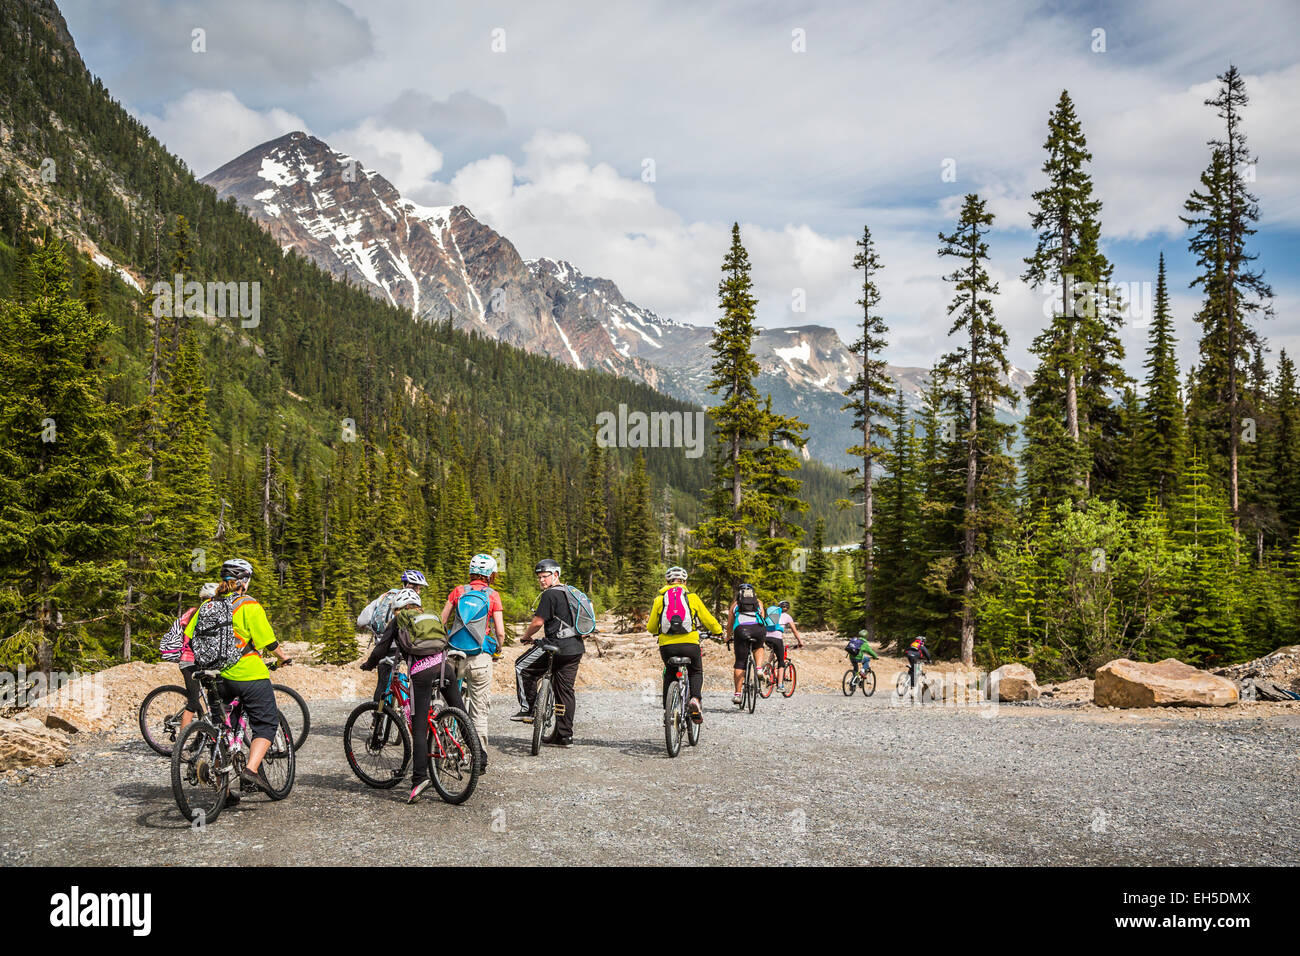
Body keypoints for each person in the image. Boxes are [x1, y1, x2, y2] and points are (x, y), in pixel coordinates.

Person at [182, 558, 291, 796]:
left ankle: (225, 792)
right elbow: (268, 642)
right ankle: (250, 770)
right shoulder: (249, 606)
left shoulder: (207, 606)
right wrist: (283, 657)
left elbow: (189, 636)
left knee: (222, 730)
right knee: (266, 722)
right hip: (247, 673)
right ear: (244, 581)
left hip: (214, 677)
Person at [360, 588, 466, 804]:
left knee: (419, 728)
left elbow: (381, 649)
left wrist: (369, 664)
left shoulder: (398, 620)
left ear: (398, 609)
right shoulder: (431, 616)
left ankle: (419, 779)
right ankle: (479, 756)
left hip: (422, 673)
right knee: (459, 710)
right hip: (446, 666)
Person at [440, 553, 505, 773]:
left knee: (448, 704)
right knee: (479, 710)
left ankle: (448, 750)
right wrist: (499, 647)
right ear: (491, 574)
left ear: (471, 572)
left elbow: (442, 621)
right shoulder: (493, 595)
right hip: (480, 658)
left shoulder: (458, 591)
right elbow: (500, 632)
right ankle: (480, 759)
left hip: (454, 656)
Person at [511, 558, 584, 747]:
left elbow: (537, 623)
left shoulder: (550, 595)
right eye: (539, 577)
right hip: (575, 648)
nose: (542, 580)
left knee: (521, 666)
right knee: (565, 691)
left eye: (545, 576)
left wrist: (525, 637)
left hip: (556, 647)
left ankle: (529, 709)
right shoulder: (571, 592)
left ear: (556, 575)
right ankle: (564, 736)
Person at [646, 566, 723, 724]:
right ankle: (695, 699)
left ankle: (668, 710)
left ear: (667, 582)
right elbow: (709, 620)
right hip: (690, 644)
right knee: (695, 671)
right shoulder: (692, 597)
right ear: (684, 582)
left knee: (669, 672)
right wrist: (718, 631)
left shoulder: (659, 599)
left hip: (667, 646)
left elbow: (651, 627)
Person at [359, 569, 427, 703]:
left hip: (382, 646)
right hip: (405, 646)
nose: (418, 591)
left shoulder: (384, 597)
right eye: (417, 588)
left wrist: (373, 629)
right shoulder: (412, 602)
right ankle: (409, 712)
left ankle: (377, 719)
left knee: (382, 684)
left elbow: (361, 620)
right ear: (411, 586)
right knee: (416, 679)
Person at [174, 582, 219, 733]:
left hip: (201, 661)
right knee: (193, 702)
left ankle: (210, 729)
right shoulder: (198, 613)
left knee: (215, 693)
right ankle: (182, 744)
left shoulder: (205, 613)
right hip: (189, 661)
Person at [725, 582, 767, 707]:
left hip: (742, 631)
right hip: (758, 629)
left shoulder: (735, 604)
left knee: (740, 662)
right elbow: (762, 618)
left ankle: (738, 694)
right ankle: (759, 668)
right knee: (759, 647)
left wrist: (727, 637)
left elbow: (730, 625)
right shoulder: (759, 602)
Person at [763, 599, 804, 693]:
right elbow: (794, 631)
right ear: (787, 608)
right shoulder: (787, 616)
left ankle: (766, 668)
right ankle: (780, 685)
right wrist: (800, 642)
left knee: (774, 650)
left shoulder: (773, 614)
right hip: (777, 639)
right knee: (781, 662)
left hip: (766, 638)